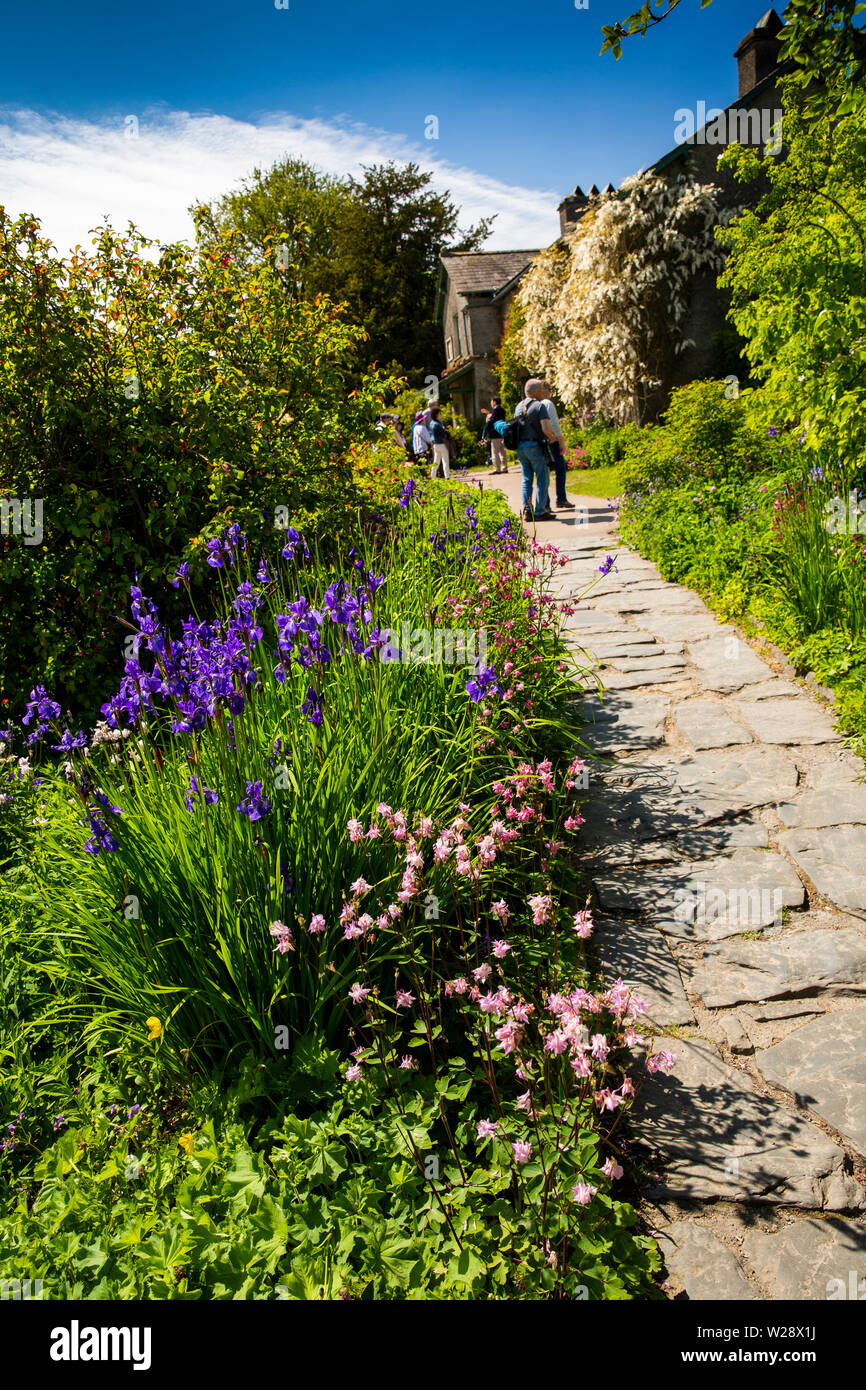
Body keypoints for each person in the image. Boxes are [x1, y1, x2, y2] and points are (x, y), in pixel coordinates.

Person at [514, 379, 558, 521]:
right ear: (534, 391)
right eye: (540, 389)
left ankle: (527, 510)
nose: (542, 392)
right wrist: (552, 438)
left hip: (521, 446)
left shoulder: (519, 406)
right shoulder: (539, 406)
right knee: (542, 478)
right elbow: (545, 428)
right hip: (535, 446)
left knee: (526, 479)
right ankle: (540, 511)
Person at [539, 383, 575, 510]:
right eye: (549, 389)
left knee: (544, 473)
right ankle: (561, 499)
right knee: (560, 469)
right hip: (552, 440)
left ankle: (546, 503)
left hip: (540, 442)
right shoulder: (547, 404)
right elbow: (554, 424)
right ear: (546, 391)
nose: (550, 392)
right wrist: (561, 442)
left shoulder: (534, 404)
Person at [481, 396, 508, 474]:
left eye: (491, 401)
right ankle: (504, 468)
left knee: (495, 452)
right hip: (501, 433)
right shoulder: (502, 410)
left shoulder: (496, 410)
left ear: (494, 402)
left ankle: (497, 469)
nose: (491, 403)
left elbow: (491, 421)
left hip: (494, 434)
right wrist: (489, 413)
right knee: (502, 451)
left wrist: (485, 433)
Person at [428, 405, 451, 480]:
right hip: (441, 444)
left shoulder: (431, 423)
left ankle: (432, 476)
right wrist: (446, 431)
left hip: (435, 445)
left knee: (436, 462)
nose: (441, 415)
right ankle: (447, 477)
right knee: (445, 461)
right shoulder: (438, 424)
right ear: (437, 415)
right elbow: (443, 434)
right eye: (440, 413)